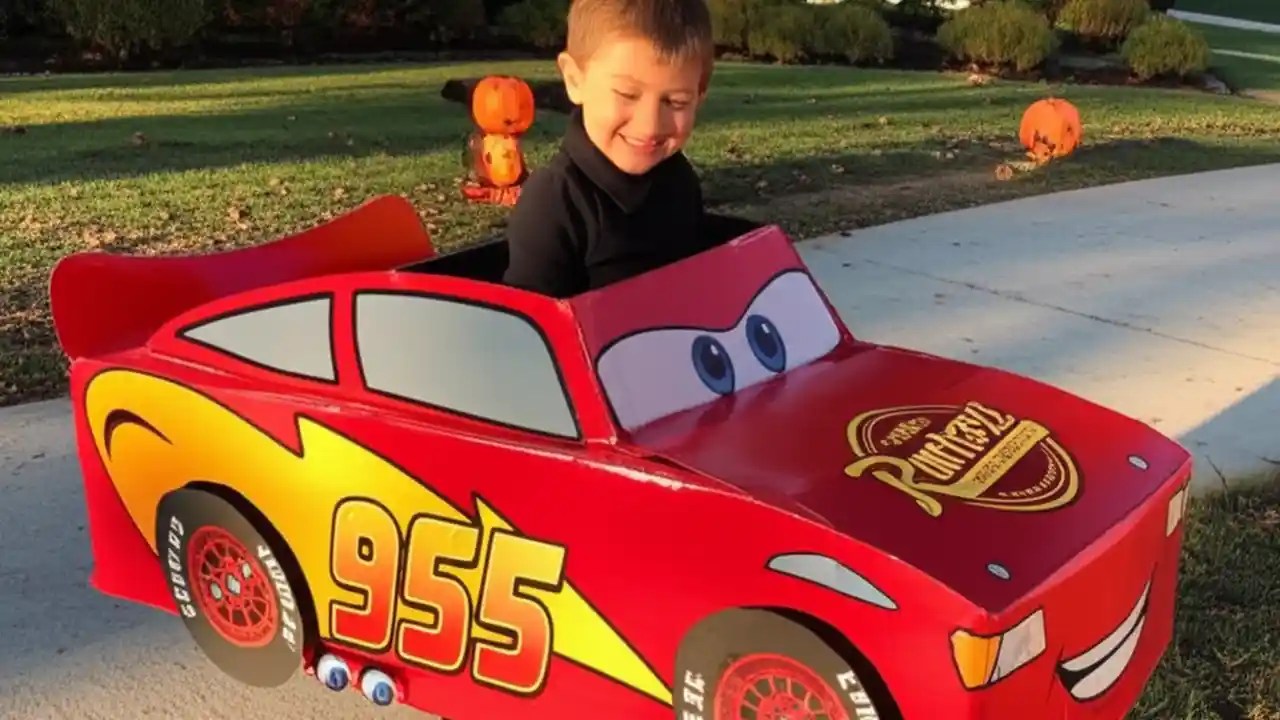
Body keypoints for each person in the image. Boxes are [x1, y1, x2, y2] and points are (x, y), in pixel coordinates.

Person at [501, 0, 756, 298]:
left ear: (699, 97)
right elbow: (529, 332)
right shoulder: (554, 201)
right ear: (574, 80)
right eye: (627, 94)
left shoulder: (678, 178)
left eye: (675, 102)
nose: (650, 126)